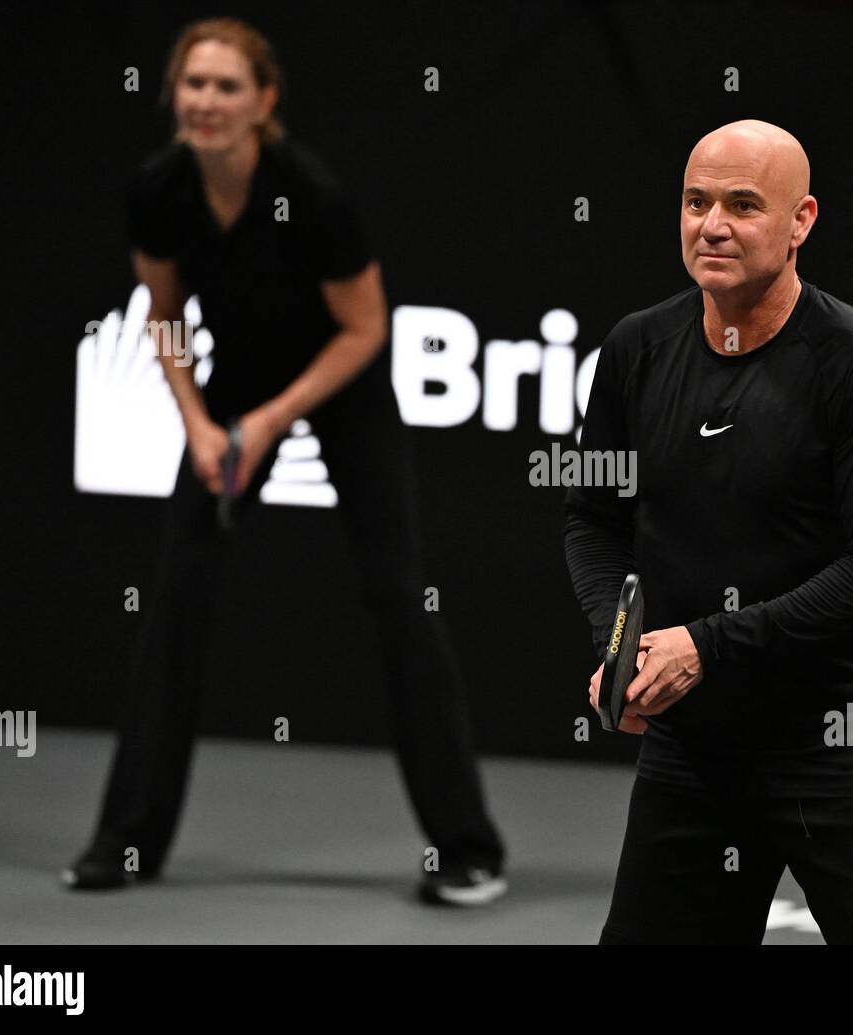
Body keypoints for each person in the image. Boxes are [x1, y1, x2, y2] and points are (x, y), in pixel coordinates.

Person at [63, 17, 506, 906]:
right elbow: (165, 311)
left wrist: (264, 422)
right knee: (176, 596)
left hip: (342, 389)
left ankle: (467, 849)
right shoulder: (159, 189)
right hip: (231, 392)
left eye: (227, 87)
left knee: (397, 597)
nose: (207, 102)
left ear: (264, 102)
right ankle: (126, 840)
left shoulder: (311, 193)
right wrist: (195, 420)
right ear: (172, 94)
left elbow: (365, 329)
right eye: (194, 84)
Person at [564, 119, 853, 943]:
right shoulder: (635, 350)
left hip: (845, 743)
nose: (712, 225)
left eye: (742, 204)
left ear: (801, 221)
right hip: (697, 748)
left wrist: (706, 643)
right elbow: (594, 518)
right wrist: (620, 646)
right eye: (696, 202)